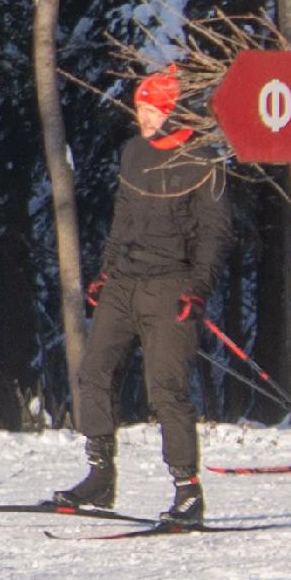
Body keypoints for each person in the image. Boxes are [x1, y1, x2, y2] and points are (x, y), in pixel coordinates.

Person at [51, 64, 231, 526]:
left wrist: (198, 289)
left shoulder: (202, 160)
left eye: (150, 109)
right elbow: (124, 217)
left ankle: (188, 493)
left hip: (172, 286)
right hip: (124, 283)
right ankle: (99, 477)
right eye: (139, 109)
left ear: (172, 110)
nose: (143, 118)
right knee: (93, 373)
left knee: (166, 390)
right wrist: (105, 270)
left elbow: (214, 234)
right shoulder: (134, 153)